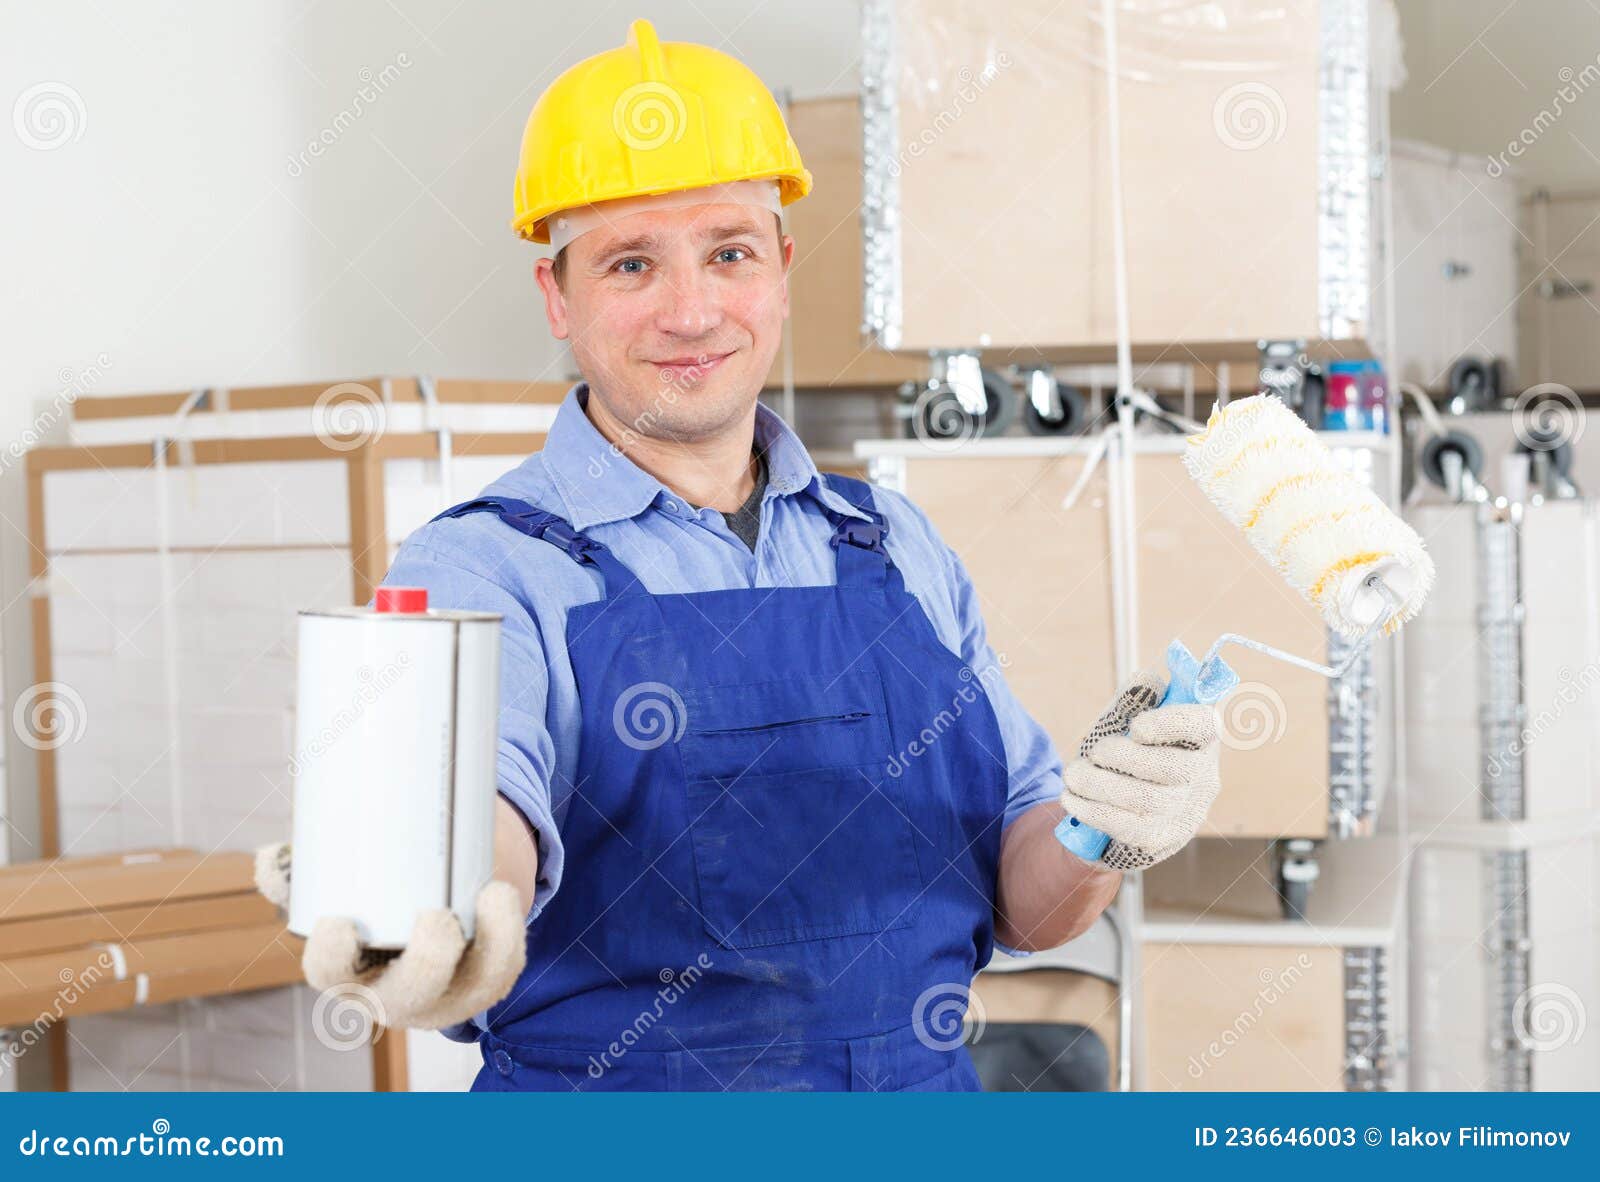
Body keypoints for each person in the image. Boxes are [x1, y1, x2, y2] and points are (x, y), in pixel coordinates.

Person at [256, 18, 1221, 1092]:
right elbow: (485, 818)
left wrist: (1106, 828)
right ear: (557, 297)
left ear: (780, 268)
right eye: (630, 263)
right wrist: (442, 912)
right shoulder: (485, 569)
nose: (691, 309)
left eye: (729, 252)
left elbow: (1026, 905)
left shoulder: (896, 546)